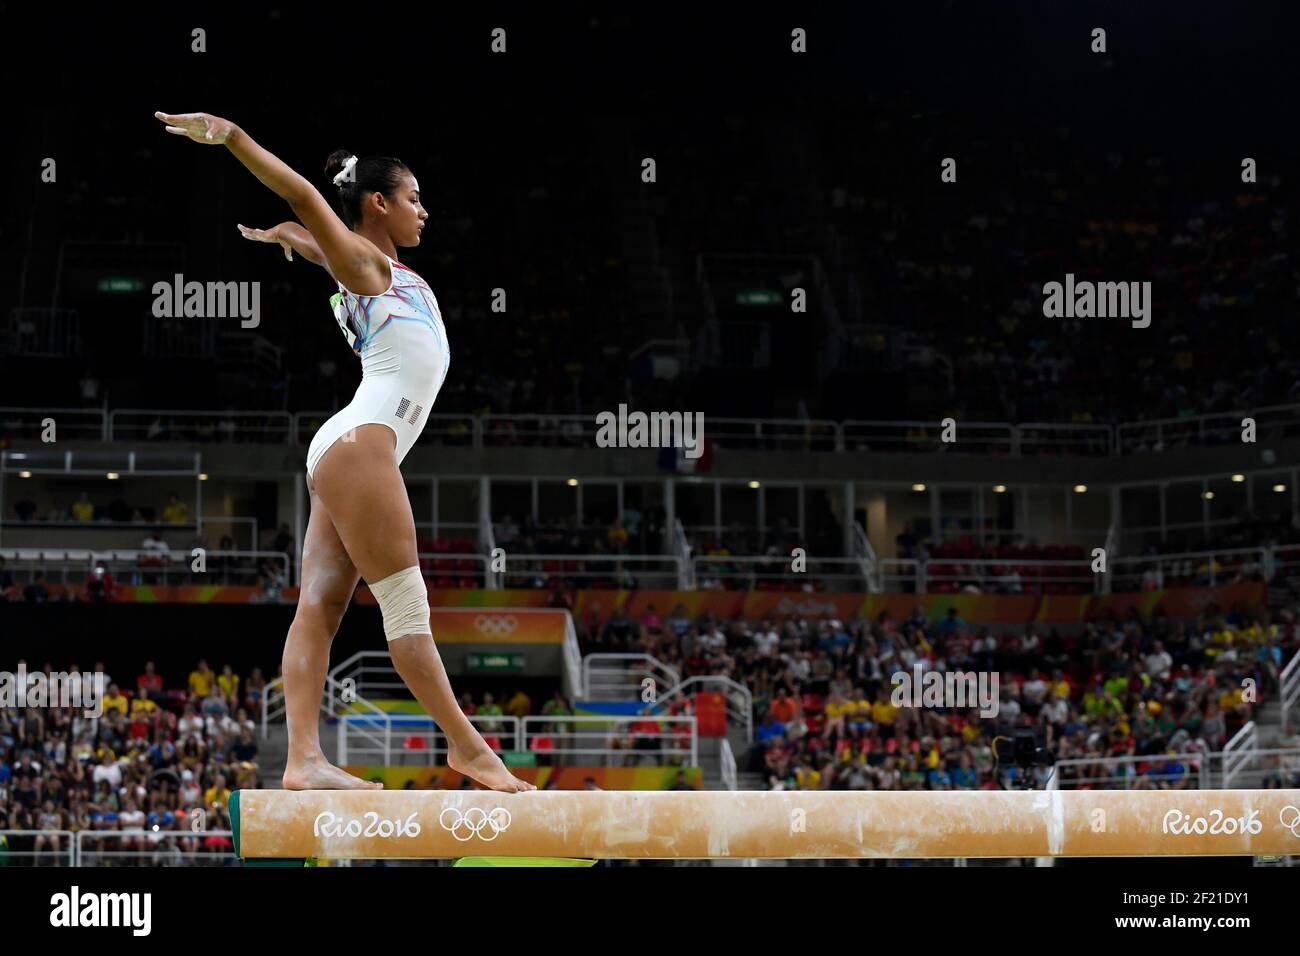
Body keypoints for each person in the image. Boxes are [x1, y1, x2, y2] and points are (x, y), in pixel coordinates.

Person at [155, 110, 530, 793]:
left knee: (320, 610)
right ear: (378, 203)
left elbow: (308, 232)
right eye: (413, 198)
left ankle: (303, 760)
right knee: (406, 610)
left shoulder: (375, 266)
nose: (425, 209)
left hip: (346, 448)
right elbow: (304, 197)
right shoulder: (366, 265)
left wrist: (286, 239)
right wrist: (235, 139)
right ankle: (468, 748)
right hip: (362, 446)